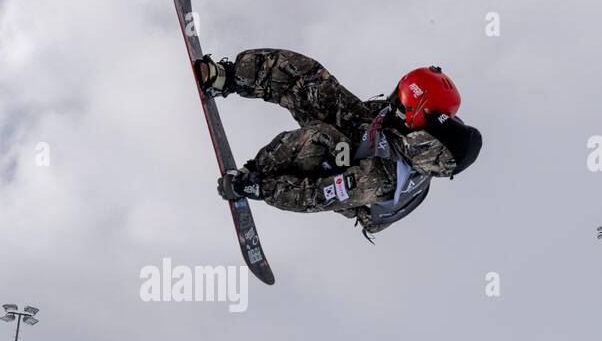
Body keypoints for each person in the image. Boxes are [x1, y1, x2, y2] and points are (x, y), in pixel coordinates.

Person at [194, 51, 482, 239]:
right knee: (311, 80)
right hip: (368, 144)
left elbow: (318, 197)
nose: (393, 102)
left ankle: (259, 171)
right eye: (396, 94)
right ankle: (226, 77)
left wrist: (258, 185)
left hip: (358, 186)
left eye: (401, 101)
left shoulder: (383, 178)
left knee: (322, 139)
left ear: (418, 114)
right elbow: (341, 106)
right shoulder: (400, 119)